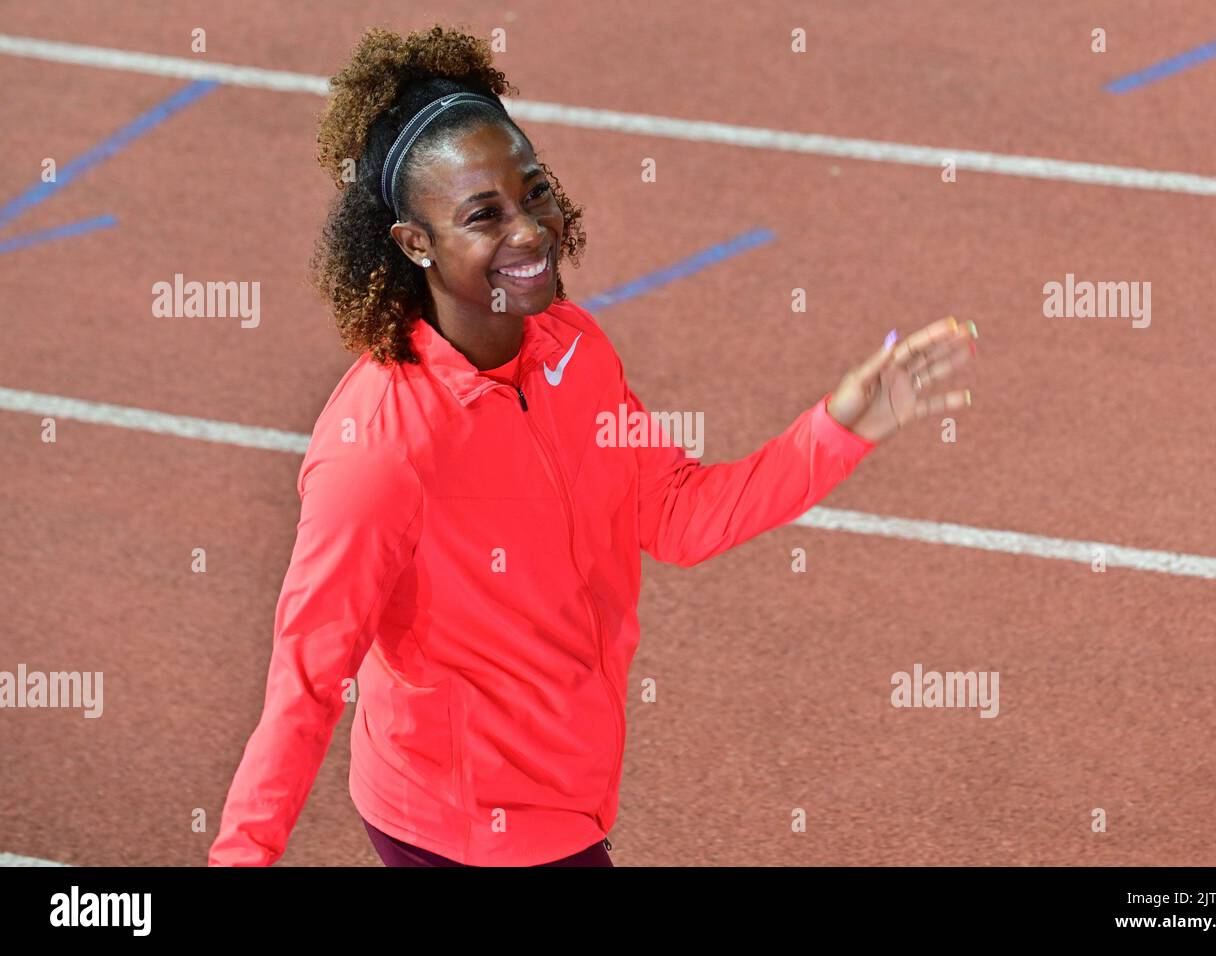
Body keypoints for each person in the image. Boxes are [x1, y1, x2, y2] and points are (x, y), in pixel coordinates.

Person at [207, 25, 977, 868]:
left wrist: (842, 424)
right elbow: (307, 680)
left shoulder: (571, 345)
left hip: (567, 796)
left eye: (533, 193)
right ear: (413, 243)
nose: (531, 231)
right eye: (483, 216)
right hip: (465, 827)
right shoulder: (378, 449)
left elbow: (679, 516)